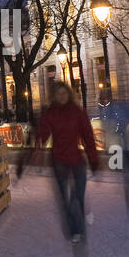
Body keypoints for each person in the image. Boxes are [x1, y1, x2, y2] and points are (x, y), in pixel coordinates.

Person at [21, 81, 100, 243]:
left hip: (77, 160)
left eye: (64, 93)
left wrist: (93, 159)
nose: (62, 97)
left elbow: (88, 137)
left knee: (77, 197)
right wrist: (35, 150)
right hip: (59, 161)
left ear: (69, 94)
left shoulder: (78, 112)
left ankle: (79, 223)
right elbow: (43, 134)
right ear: (54, 97)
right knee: (65, 199)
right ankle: (74, 230)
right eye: (58, 94)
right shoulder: (51, 113)